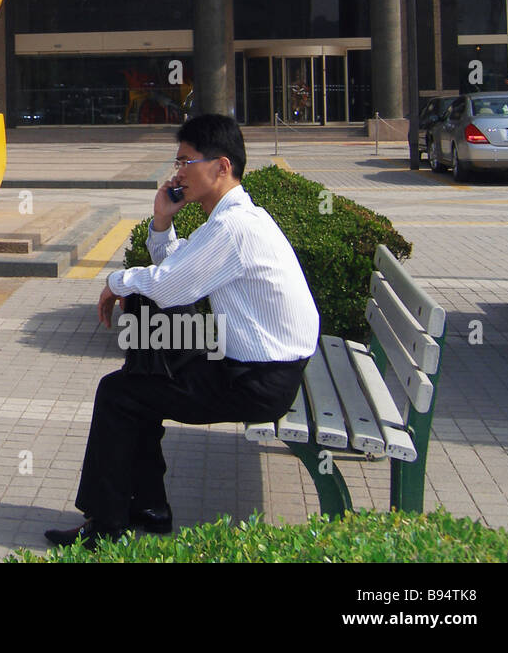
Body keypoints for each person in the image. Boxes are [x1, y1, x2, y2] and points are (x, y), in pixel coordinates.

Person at [45, 114, 320, 548]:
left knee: (119, 394)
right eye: (177, 162)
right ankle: (147, 507)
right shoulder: (236, 219)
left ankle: (106, 527)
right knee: (139, 382)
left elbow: (171, 287)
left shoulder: (233, 228)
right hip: (263, 368)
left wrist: (117, 282)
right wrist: (161, 222)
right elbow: (179, 266)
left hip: (258, 381)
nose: (177, 173)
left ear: (221, 167)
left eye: (186, 162)